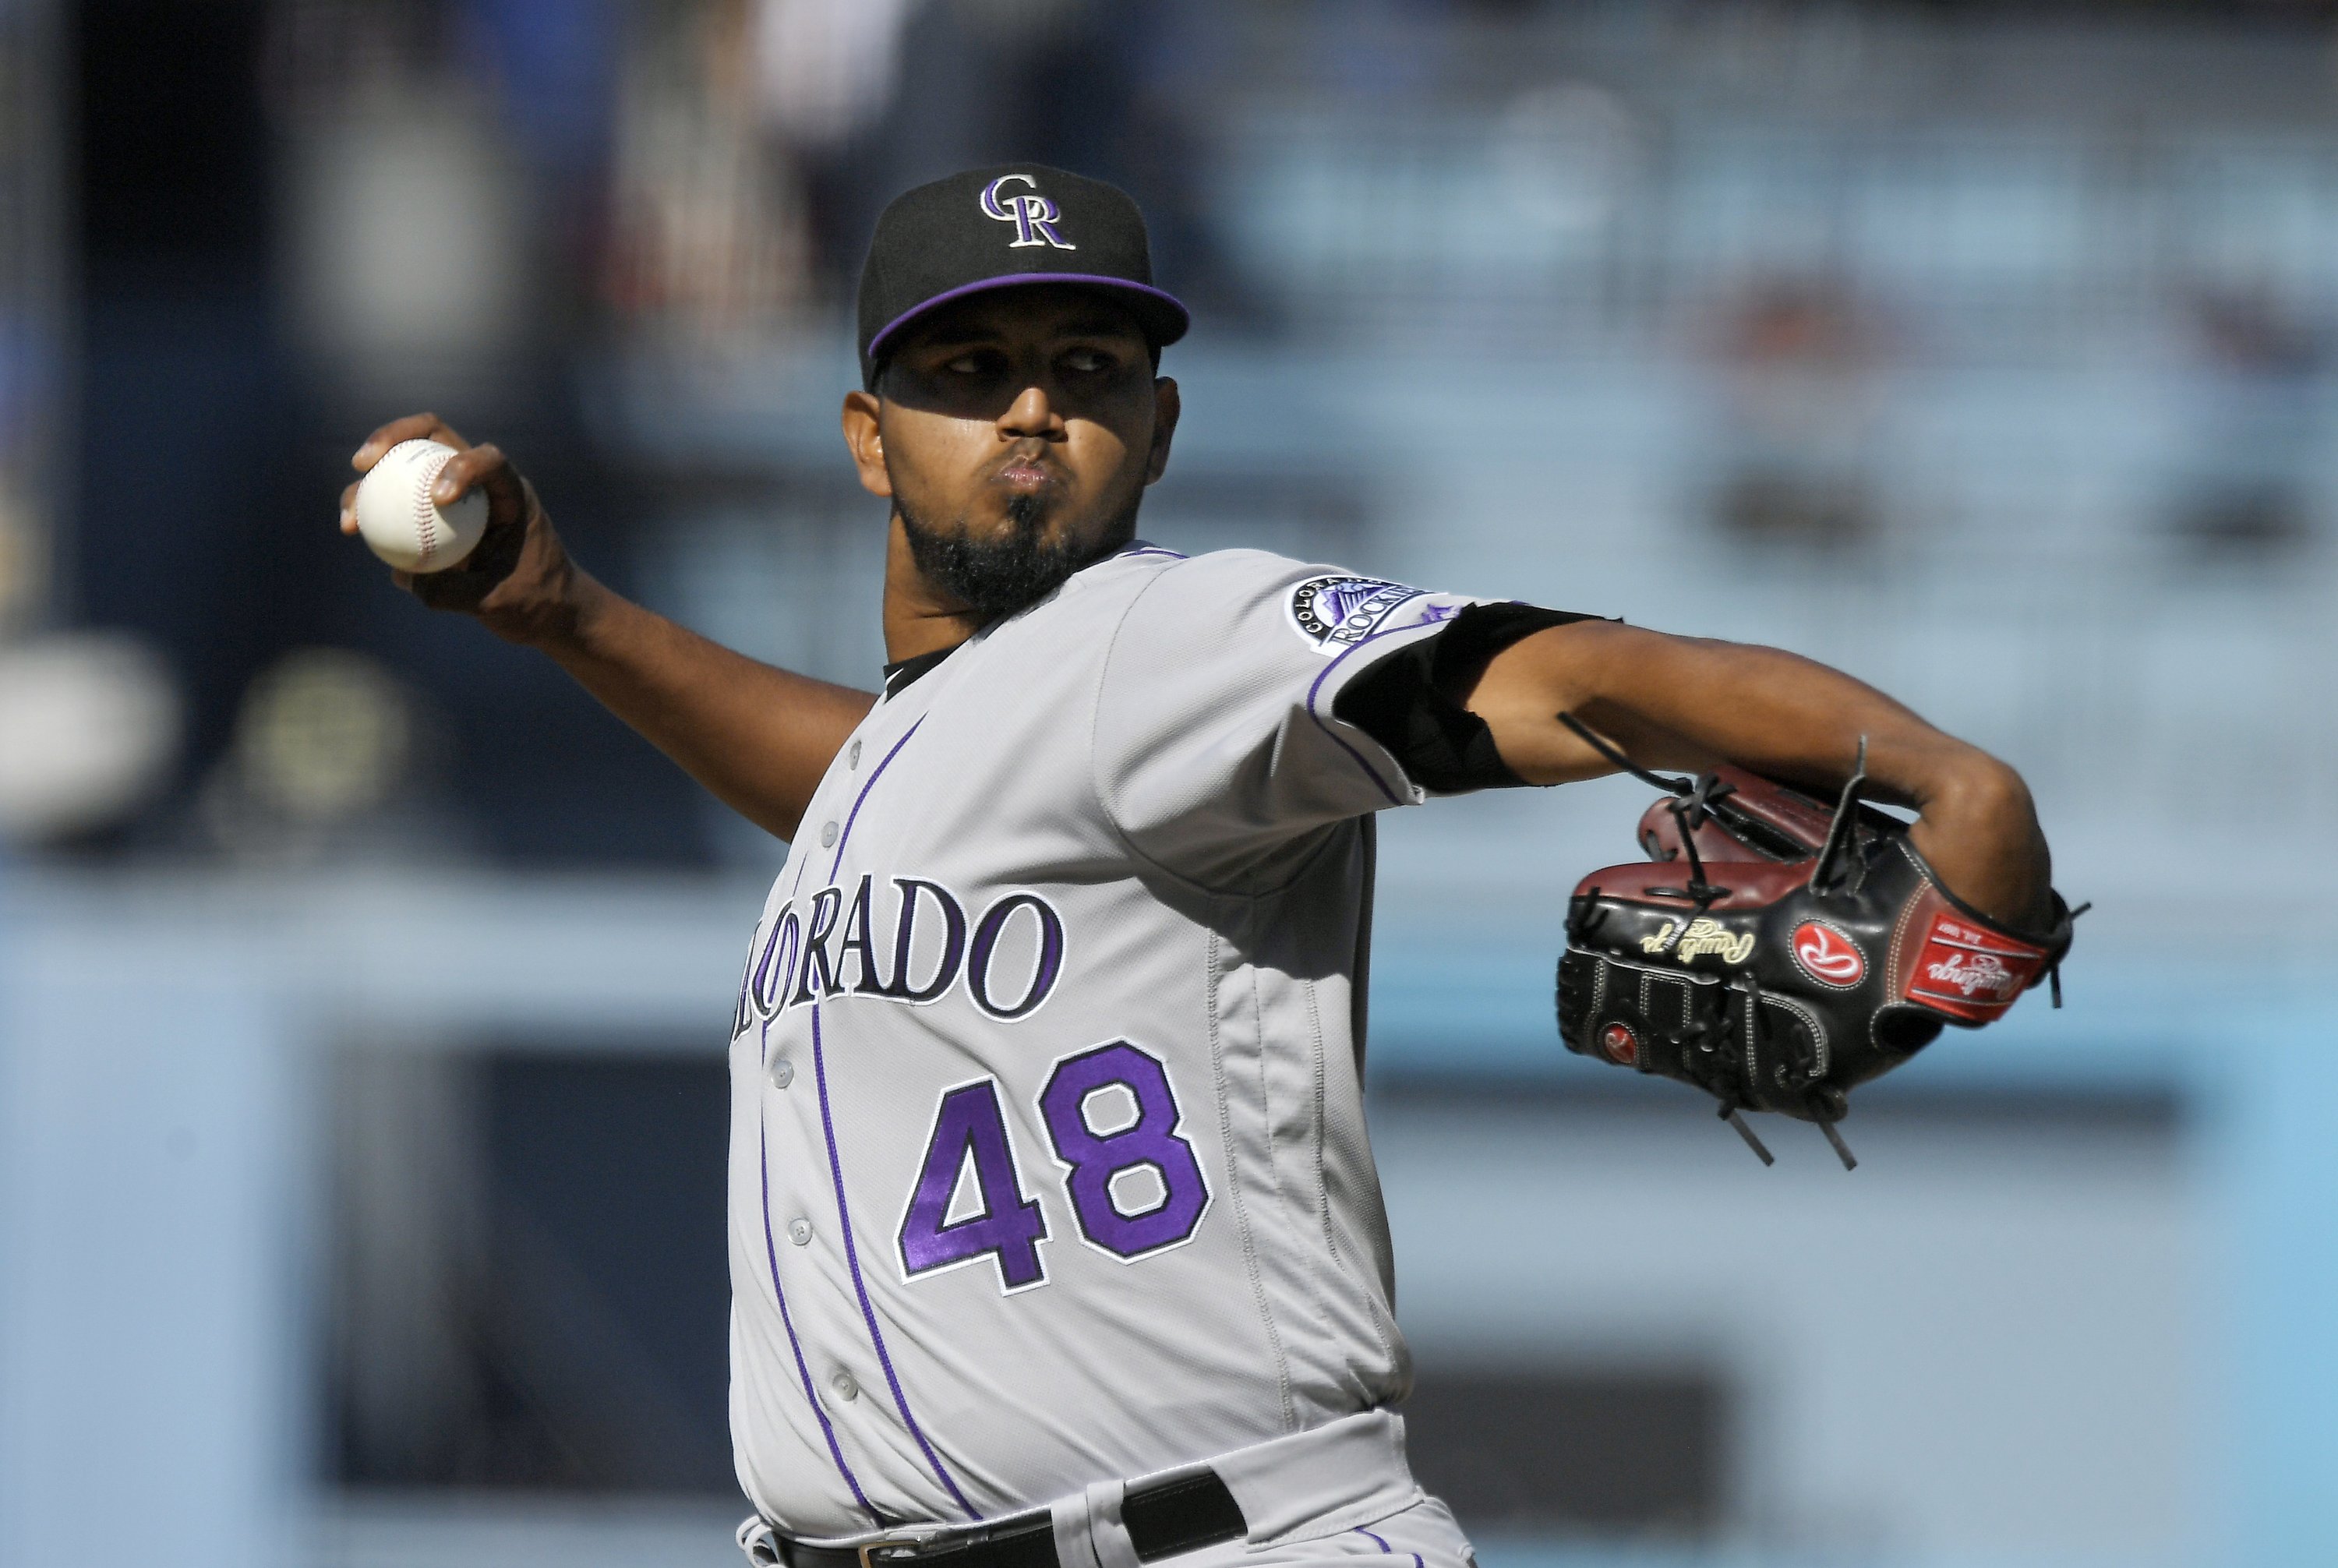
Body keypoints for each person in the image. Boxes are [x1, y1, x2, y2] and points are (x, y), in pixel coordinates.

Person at [340, 165, 2054, 1568]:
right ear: (869, 437)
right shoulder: (950, 750)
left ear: (1155, 431)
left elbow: (1565, 674)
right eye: (968, 371)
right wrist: (565, 617)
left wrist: (1940, 772)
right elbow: (867, 781)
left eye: (1086, 372)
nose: (1030, 407)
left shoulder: (1178, 637)